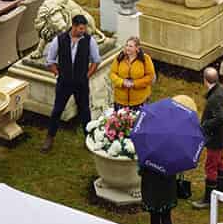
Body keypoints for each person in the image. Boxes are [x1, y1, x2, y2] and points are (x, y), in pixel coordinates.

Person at [41, 14, 102, 150]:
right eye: (80, 28)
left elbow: (96, 61)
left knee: (85, 110)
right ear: (73, 26)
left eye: (84, 28)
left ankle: (89, 138)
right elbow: (50, 61)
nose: (83, 31)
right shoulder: (59, 40)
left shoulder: (90, 41)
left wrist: (87, 76)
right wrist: (58, 74)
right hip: (64, 83)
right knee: (57, 110)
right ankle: (50, 137)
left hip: (81, 83)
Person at [200, 65, 223, 203]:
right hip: (221, 136)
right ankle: (221, 191)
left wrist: (205, 125)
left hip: (215, 138)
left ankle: (209, 199)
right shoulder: (222, 90)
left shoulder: (214, 98)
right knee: (219, 162)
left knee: (211, 166)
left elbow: (221, 118)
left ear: (205, 80)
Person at [110, 37, 155, 109]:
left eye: (130, 46)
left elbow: (150, 76)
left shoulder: (145, 59)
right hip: (120, 101)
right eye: (127, 45)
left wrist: (134, 83)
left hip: (139, 101)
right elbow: (112, 73)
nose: (127, 48)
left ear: (137, 48)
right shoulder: (119, 57)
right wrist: (122, 82)